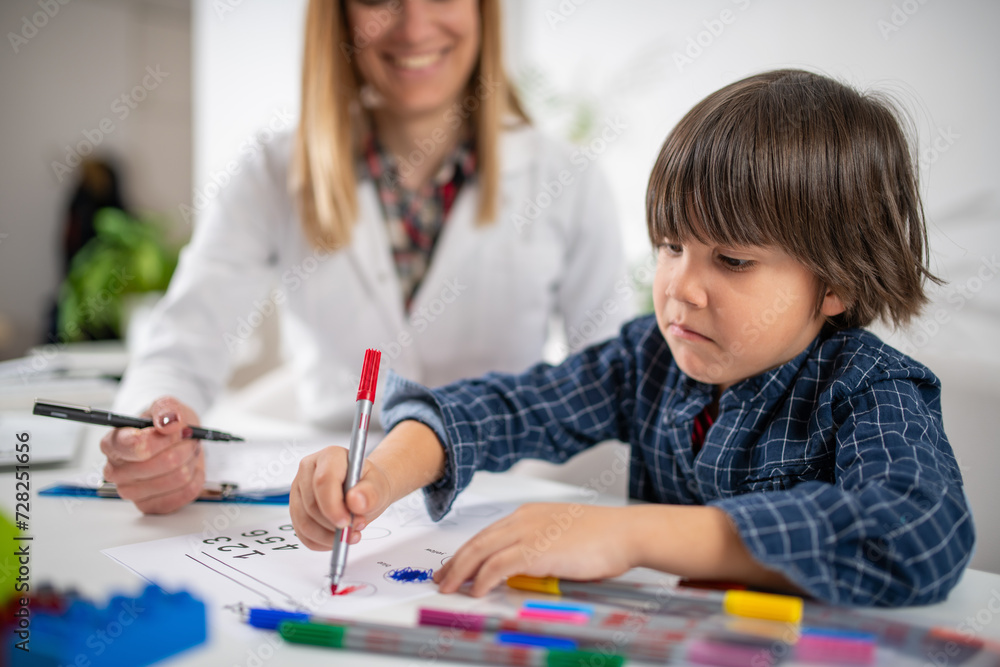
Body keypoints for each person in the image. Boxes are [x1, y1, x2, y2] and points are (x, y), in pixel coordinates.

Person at [290, 69, 976, 607]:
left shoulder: (868, 386)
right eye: (670, 245)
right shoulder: (648, 356)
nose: (681, 285)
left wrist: (632, 532)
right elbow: (508, 407)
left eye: (732, 260)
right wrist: (379, 473)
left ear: (836, 283)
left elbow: (919, 531)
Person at [102, 0, 631, 515]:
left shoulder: (569, 179)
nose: (415, 25)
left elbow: (615, 385)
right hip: (322, 502)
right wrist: (153, 431)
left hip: (496, 502)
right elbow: (183, 345)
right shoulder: (272, 170)